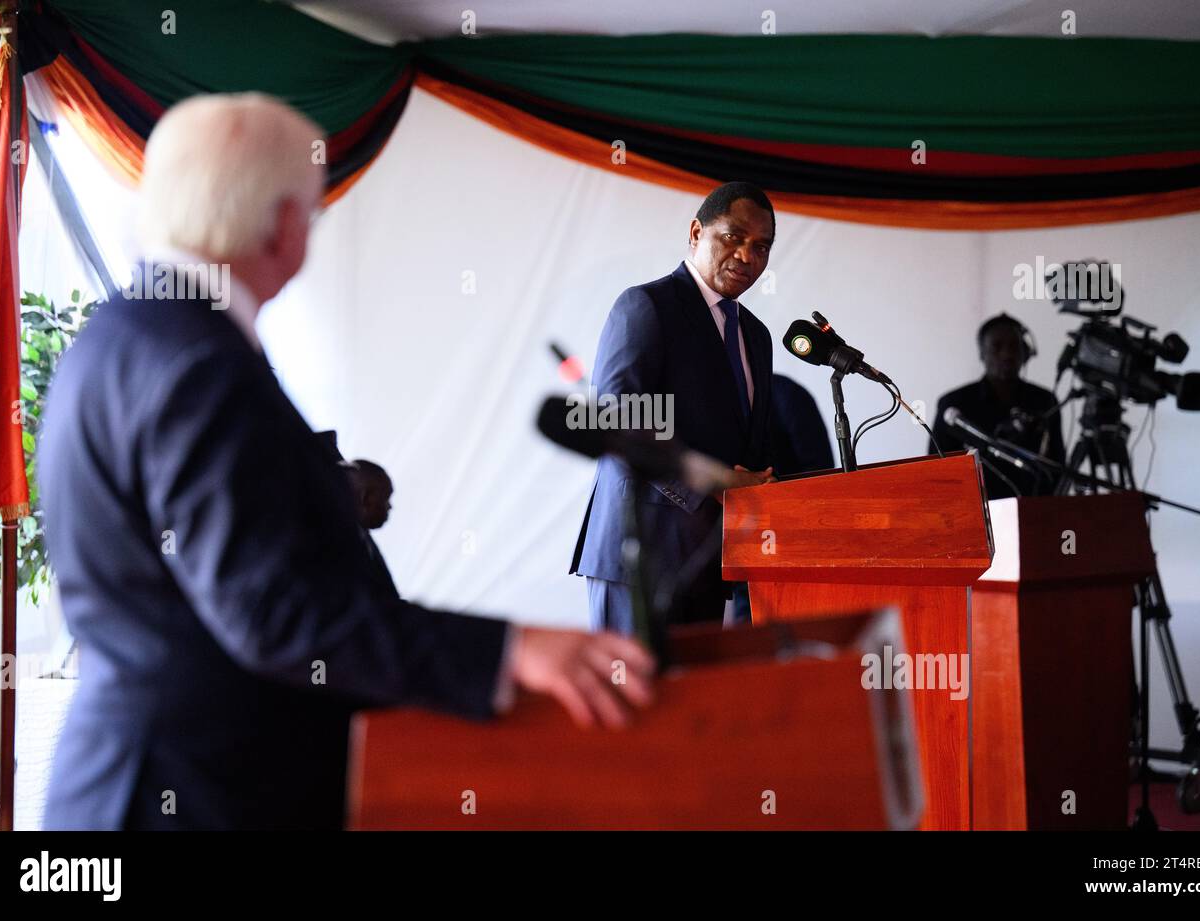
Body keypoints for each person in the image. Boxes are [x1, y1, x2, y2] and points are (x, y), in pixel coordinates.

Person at [38, 93, 654, 830]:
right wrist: (510, 651)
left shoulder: (125, 332)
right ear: (283, 222)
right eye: (314, 208)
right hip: (189, 793)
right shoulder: (199, 360)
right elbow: (272, 608)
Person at [570, 182, 776, 634]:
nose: (747, 256)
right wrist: (715, 484)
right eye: (734, 237)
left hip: (709, 561)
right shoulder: (646, 306)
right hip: (638, 558)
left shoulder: (757, 337)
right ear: (697, 231)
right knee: (631, 701)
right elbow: (619, 422)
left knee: (692, 701)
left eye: (761, 247)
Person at [930, 313, 1065, 499]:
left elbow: (1058, 465)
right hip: (975, 516)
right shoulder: (953, 404)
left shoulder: (1044, 400)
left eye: (1014, 346)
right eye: (997, 346)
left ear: (1025, 353)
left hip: (1034, 513)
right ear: (982, 354)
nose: (1007, 354)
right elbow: (937, 471)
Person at [344, 459, 400, 598]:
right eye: (386, 498)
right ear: (366, 499)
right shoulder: (340, 548)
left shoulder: (363, 539)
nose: (389, 507)